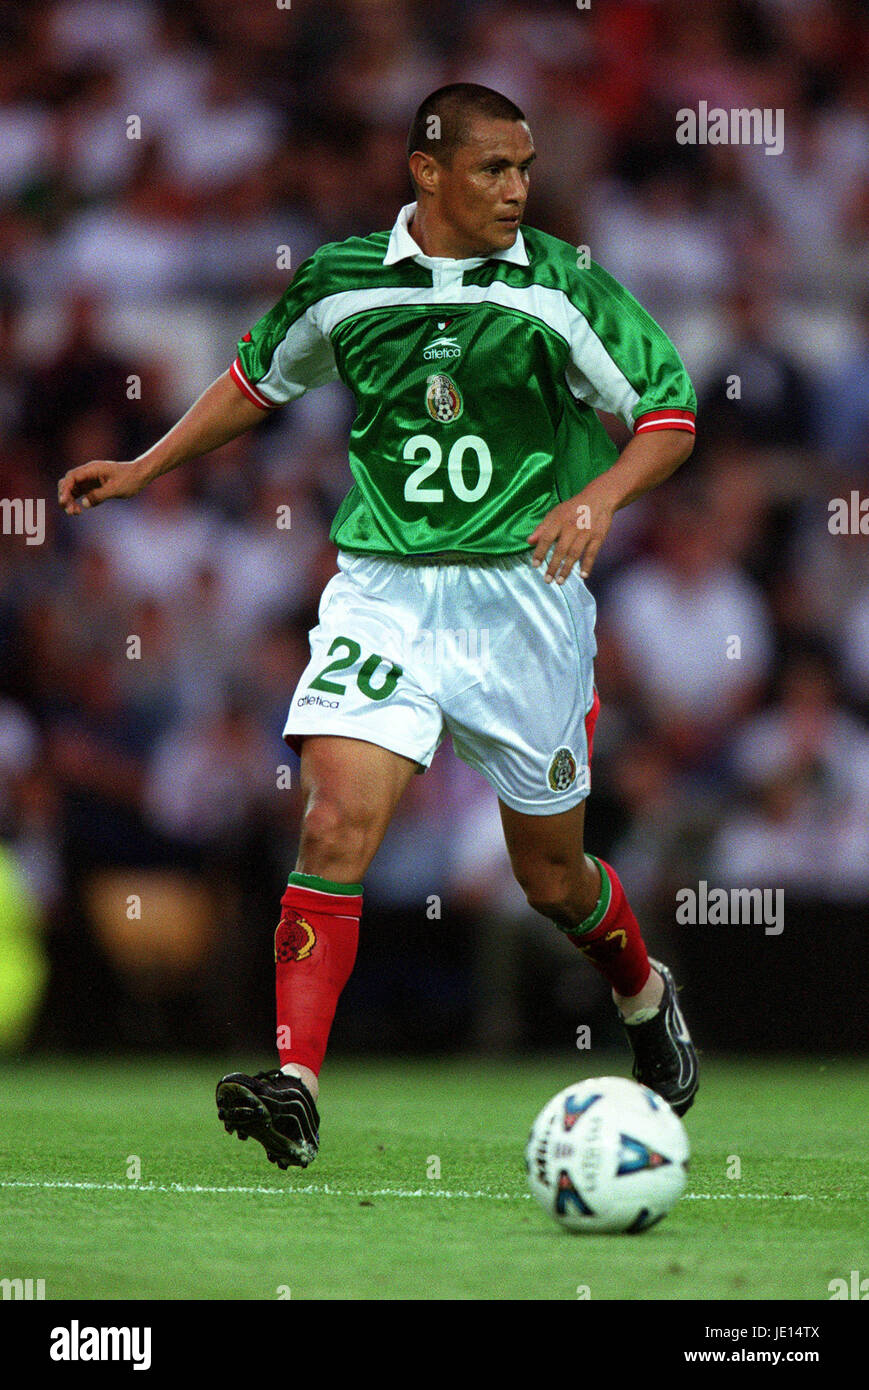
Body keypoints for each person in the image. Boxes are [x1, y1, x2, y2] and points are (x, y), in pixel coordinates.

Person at [59, 84, 699, 1171]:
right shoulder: (342, 278)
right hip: (385, 591)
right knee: (332, 823)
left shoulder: (560, 281)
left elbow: (669, 411)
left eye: (525, 167)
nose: (516, 189)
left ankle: (642, 991)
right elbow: (253, 380)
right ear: (426, 170)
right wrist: (145, 466)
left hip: (523, 597)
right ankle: (297, 1082)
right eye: (494, 168)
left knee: (551, 878)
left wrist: (598, 498)